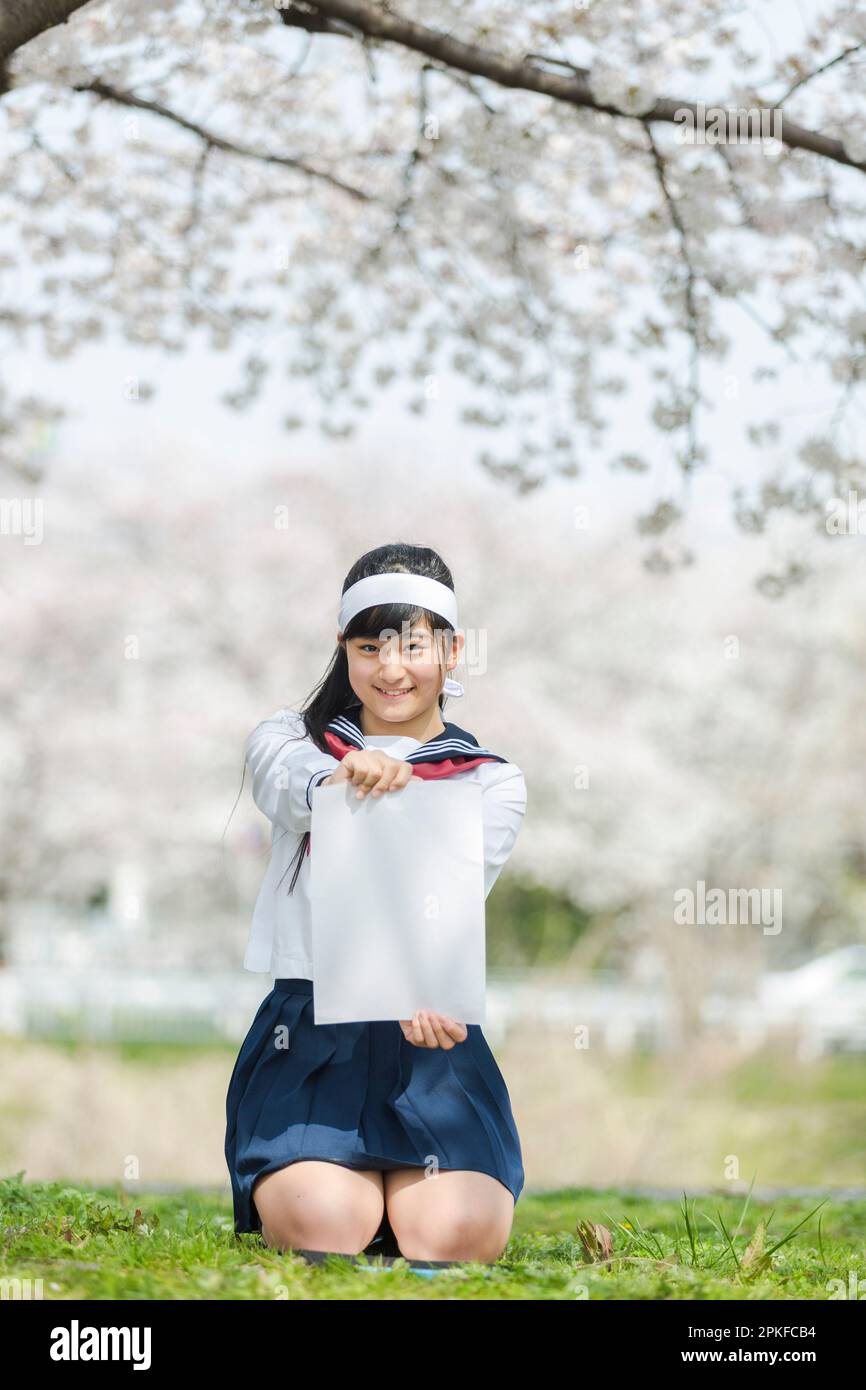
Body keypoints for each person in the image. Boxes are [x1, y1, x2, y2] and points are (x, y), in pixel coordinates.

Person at [224, 542, 527, 1263]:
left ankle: (397, 1205)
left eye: (414, 645)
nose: (391, 669)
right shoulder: (293, 742)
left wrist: (425, 988)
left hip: (432, 1034)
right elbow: (284, 782)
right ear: (343, 648)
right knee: (323, 1225)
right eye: (370, 646)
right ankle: (351, 1196)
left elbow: (442, 898)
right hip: (312, 1032)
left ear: (452, 653)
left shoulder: (492, 781)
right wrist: (343, 776)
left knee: (456, 1233)